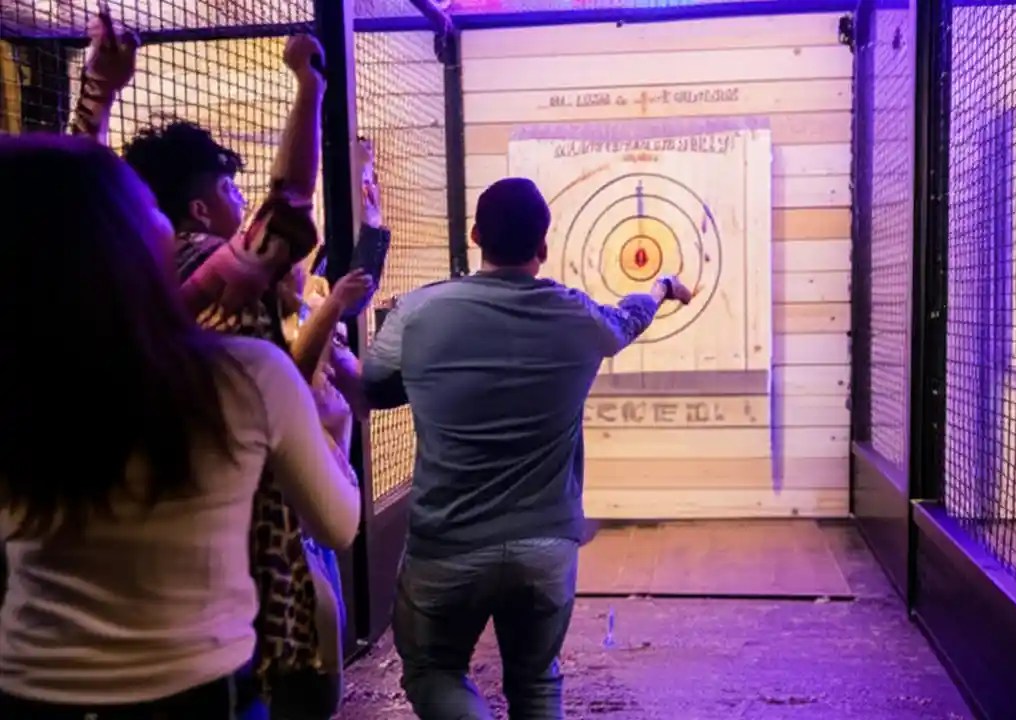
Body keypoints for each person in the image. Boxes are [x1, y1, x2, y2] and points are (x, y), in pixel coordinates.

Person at [0, 134, 360, 719]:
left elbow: (49, 229)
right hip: (198, 693)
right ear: (129, 241)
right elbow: (339, 524)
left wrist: (99, 95)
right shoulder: (245, 376)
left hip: (28, 691)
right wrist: (321, 423)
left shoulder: (19, 385)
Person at [66, 10, 343, 717]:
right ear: (187, 210)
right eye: (226, 192)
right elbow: (284, 211)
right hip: (213, 602)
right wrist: (308, 87)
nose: (237, 203)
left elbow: (65, 215)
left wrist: (95, 99)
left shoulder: (91, 296)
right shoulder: (187, 267)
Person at [363, 177, 694, 720]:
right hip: (546, 547)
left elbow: (374, 386)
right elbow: (629, 317)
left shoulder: (419, 312)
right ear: (544, 246)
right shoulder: (578, 317)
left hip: (447, 546)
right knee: (537, 679)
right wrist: (661, 286)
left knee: (435, 670)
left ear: (475, 235)